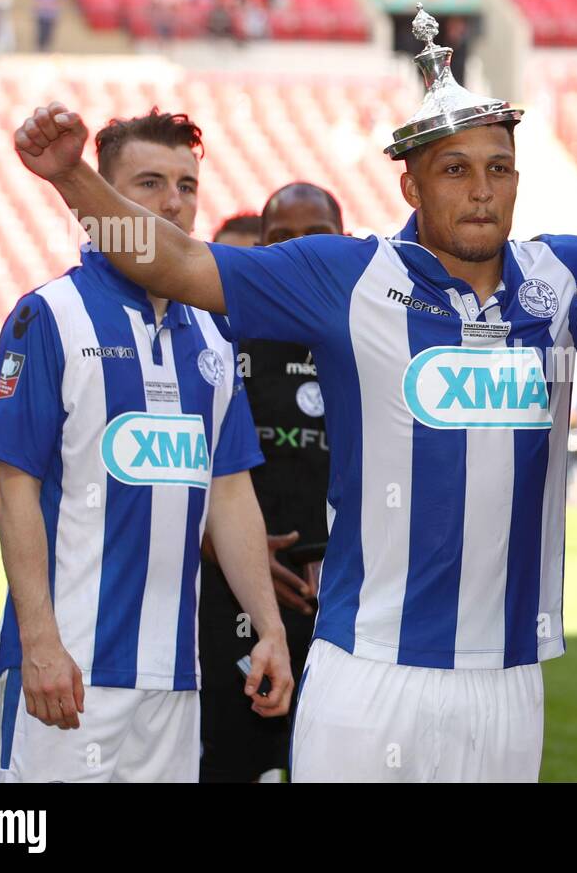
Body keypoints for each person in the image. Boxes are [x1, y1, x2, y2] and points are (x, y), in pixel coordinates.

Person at [9, 14, 577, 782]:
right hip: (371, 671)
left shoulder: (564, 273)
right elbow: (176, 262)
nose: (481, 190)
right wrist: (74, 180)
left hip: (512, 678)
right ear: (411, 186)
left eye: (499, 168)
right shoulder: (346, 276)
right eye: (455, 169)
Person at [0, 108, 293, 782]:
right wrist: (39, 640)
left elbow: (229, 488)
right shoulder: (50, 316)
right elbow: (14, 486)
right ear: (103, 196)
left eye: (186, 185)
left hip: (174, 678)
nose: (175, 202)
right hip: (68, 671)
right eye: (150, 183)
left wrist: (266, 624)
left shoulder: (213, 337)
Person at [199, 184, 342, 782]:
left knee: (335, 763)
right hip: (238, 592)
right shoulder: (217, 340)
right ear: (259, 246)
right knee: (235, 761)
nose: (300, 252)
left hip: (344, 598)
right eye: (282, 238)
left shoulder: (372, 337)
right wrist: (225, 549)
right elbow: (189, 478)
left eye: (319, 237)